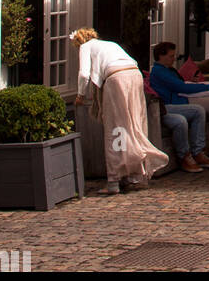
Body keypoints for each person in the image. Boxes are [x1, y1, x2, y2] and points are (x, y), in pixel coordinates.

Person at [72, 28, 169, 194]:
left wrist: (80, 95)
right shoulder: (110, 44)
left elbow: (84, 74)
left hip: (116, 78)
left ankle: (113, 180)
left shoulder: (85, 46)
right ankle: (135, 175)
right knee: (134, 124)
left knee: (116, 127)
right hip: (134, 75)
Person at [149, 42, 209, 171]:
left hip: (182, 99)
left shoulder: (169, 70)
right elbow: (180, 87)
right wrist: (207, 87)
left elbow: (181, 84)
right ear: (161, 56)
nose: (174, 59)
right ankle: (199, 152)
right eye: (171, 56)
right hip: (174, 104)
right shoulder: (159, 71)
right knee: (198, 111)